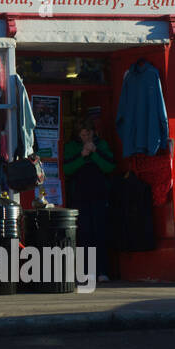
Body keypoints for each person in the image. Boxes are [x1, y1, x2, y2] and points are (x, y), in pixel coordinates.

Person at [63, 116, 115, 282]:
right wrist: (82, 155)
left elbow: (110, 166)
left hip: (99, 197)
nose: (86, 137)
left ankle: (102, 271)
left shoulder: (102, 145)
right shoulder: (71, 147)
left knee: (100, 233)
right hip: (79, 198)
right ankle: (85, 272)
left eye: (89, 134)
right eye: (83, 135)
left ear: (93, 132)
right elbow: (67, 169)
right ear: (78, 135)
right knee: (83, 234)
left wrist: (95, 153)